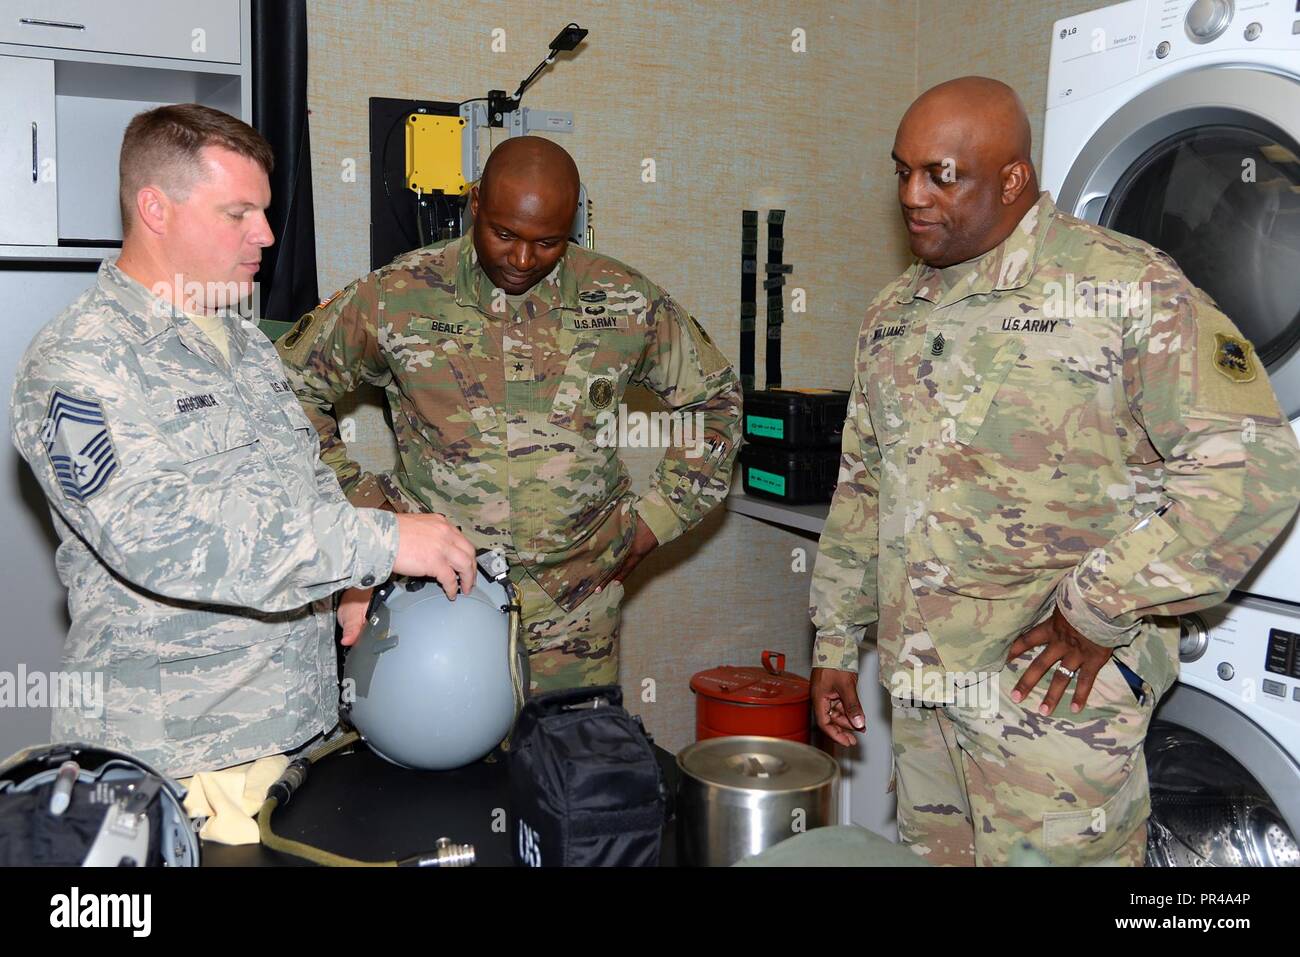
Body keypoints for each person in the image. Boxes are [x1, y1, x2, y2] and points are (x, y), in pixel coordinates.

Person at [809, 77, 1300, 865]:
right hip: (928, 696)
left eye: (941, 174)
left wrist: (1096, 608)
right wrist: (835, 638)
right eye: (900, 170)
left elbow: (1253, 472)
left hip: (1050, 713)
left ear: (1013, 179)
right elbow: (865, 482)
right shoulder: (894, 312)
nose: (911, 195)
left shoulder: (1124, 287)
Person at [10, 104, 477, 778]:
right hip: (170, 761)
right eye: (237, 213)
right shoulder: (77, 363)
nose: (265, 232)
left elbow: (306, 485)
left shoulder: (244, 347)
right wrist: (380, 542)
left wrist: (350, 576)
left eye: (264, 210)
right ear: (156, 209)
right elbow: (158, 535)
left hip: (298, 734)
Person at [276, 136, 742, 691]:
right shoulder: (398, 295)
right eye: (504, 235)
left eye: (548, 242)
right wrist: (366, 508)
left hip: (576, 606)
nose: (522, 260)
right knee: (443, 768)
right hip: (436, 595)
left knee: (571, 768)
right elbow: (285, 388)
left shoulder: (624, 300)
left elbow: (715, 400)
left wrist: (654, 521)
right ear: (475, 205)